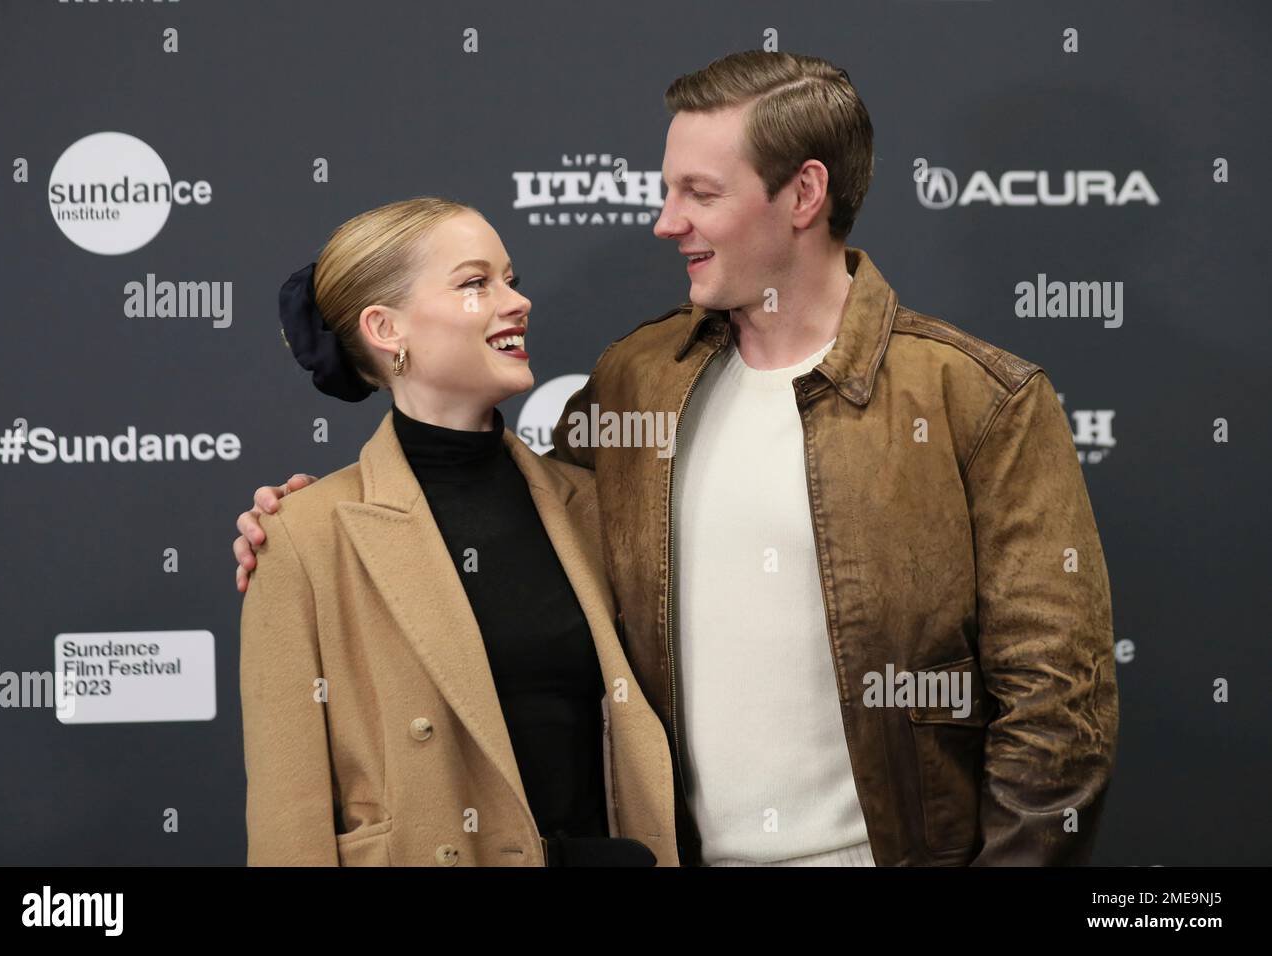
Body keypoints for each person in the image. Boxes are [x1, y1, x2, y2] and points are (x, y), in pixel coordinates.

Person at [236, 51, 1119, 867]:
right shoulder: (636, 384)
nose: (665, 223)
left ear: (803, 194)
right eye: (668, 189)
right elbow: (477, 518)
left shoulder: (978, 399)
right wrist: (313, 528)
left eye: (700, 192)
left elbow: (1056, 709)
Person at [238, 197, 679, 867]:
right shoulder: (302, 537)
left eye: (512, 279)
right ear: (387, 328)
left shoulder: (592, 503)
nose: (515, 302)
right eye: (477, 283)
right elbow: (287, 821)